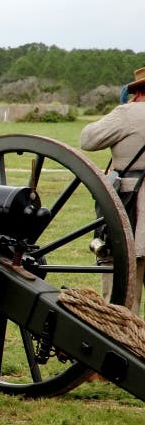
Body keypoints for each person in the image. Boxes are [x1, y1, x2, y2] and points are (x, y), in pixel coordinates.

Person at [80, 66, 145, 315]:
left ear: (136, 91)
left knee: (122, 302)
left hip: (132, 212)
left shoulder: (128, 113)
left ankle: (123, 350)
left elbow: (88, 139)